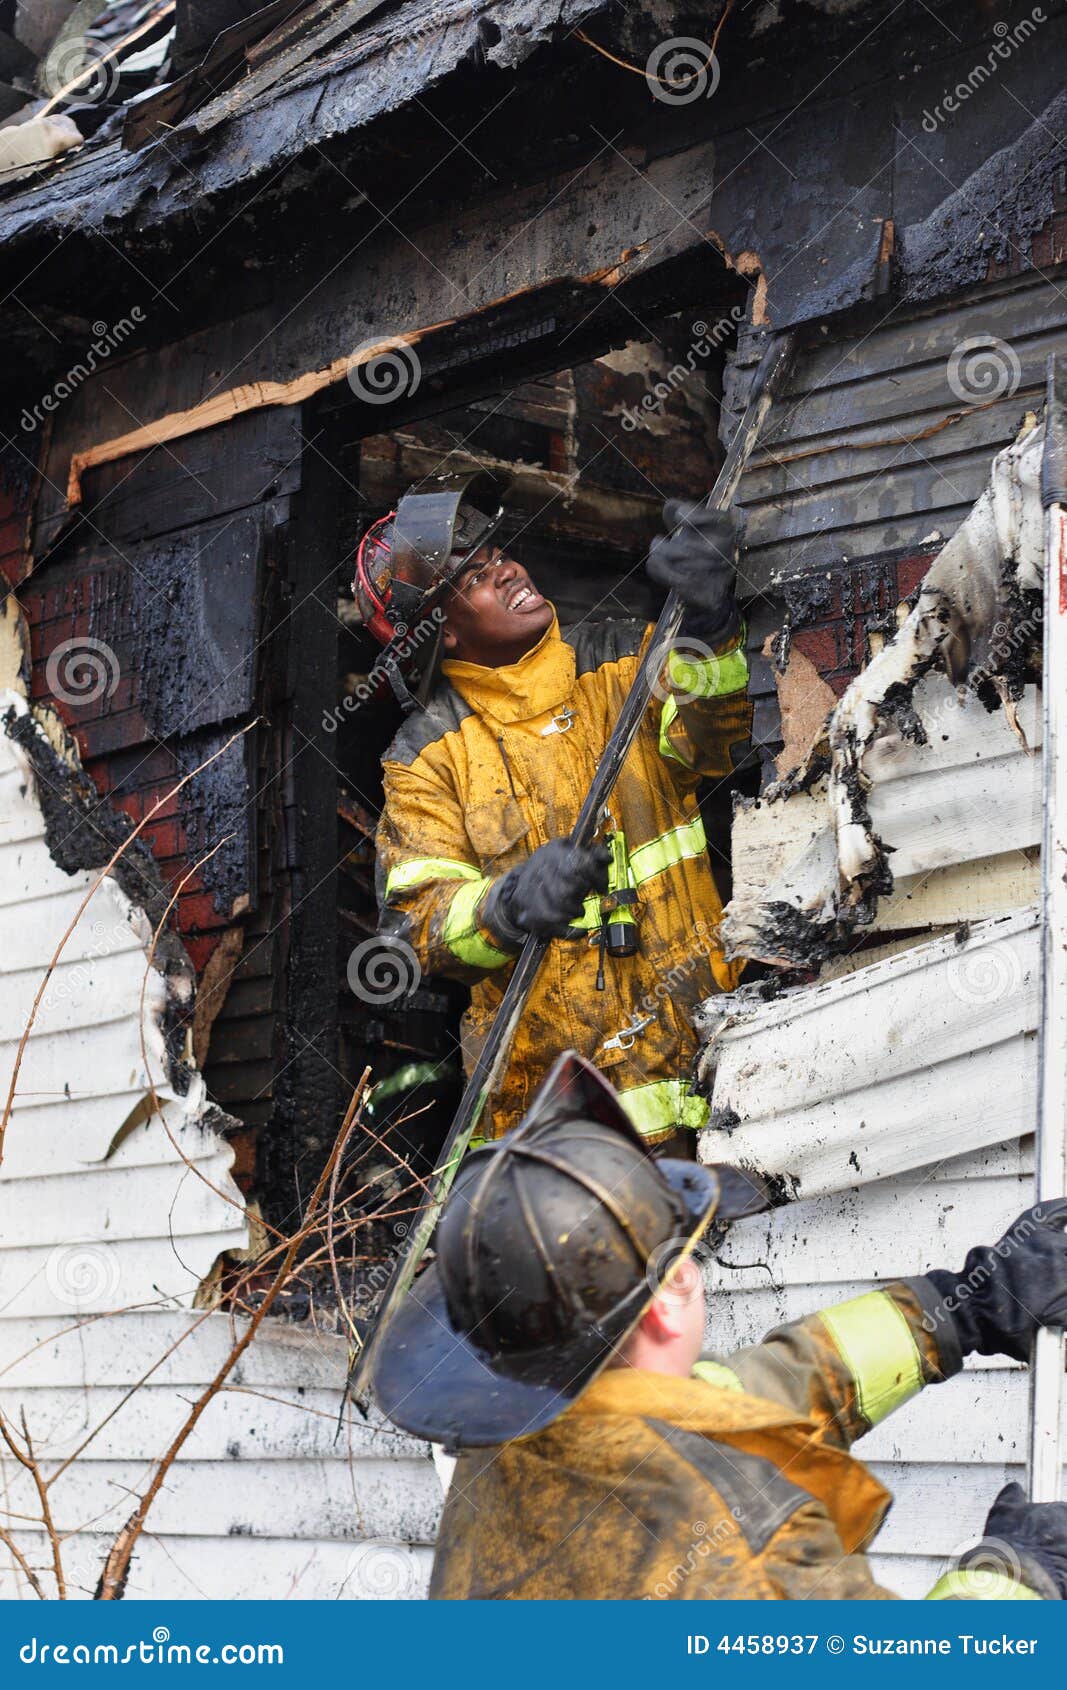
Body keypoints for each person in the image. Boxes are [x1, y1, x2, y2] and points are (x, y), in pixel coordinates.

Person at [372, 1051, 1067, 1602]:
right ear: (675, 1287)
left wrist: (959, 1308)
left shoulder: (505, 1458)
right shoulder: (751, 1535)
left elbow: (735, 1401)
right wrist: (1012, 1584)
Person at [360, 470, 752, 1149]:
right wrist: (504, 906)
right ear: (441, 633)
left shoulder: (624, 659)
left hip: (711, 1081)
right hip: (550, 1134)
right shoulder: (424, 756)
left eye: (497, 554)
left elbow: (712, 746)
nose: (508, 569)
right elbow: (413, 931)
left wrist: (711, 621)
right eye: (475, 577)